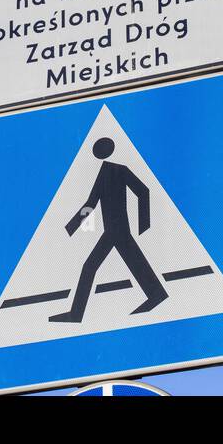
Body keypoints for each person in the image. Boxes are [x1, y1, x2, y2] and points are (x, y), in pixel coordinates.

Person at [50, 137, 168, 323]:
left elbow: (143, 191)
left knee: (90, 266)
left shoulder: (117, 170)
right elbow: (91, 204)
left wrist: (144, 225)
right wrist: (70, 228)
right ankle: (156, 294)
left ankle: (76, 314)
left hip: (118, 229)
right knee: (131, 263)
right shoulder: (105, 172)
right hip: (114, 230)